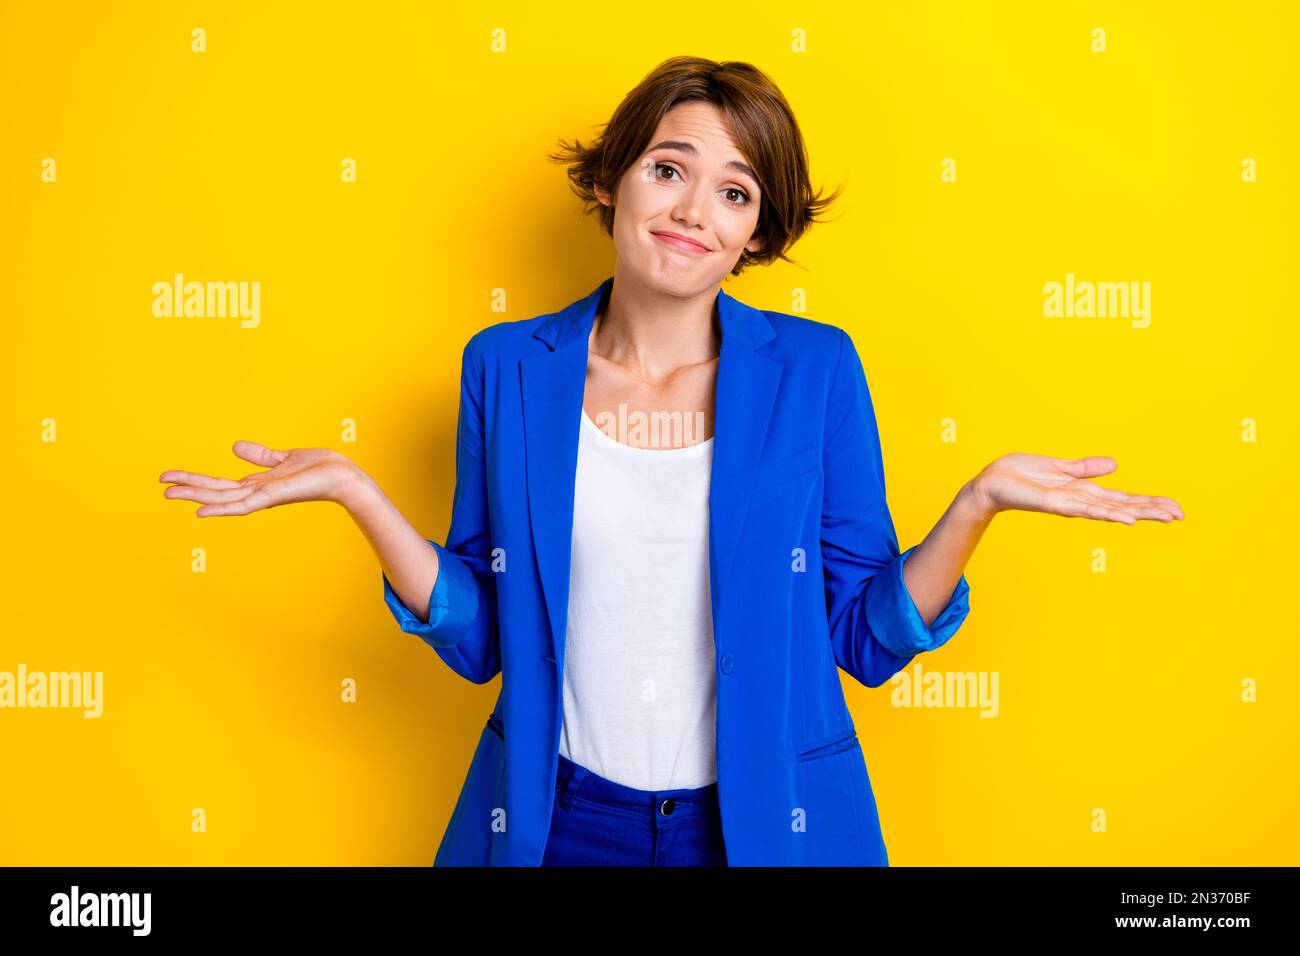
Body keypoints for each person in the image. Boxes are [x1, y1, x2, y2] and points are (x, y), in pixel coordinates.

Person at [159, 56, 1185, 867]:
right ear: (610, 182)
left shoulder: (814, 372)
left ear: (755, 233)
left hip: (760, 824)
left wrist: (977, 504)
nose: (696, 209)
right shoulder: (507, 368)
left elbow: (857, 638)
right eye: (669, 168)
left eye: (735, 192)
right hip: (559, 820)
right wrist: (357, 495)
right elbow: (483, 636)